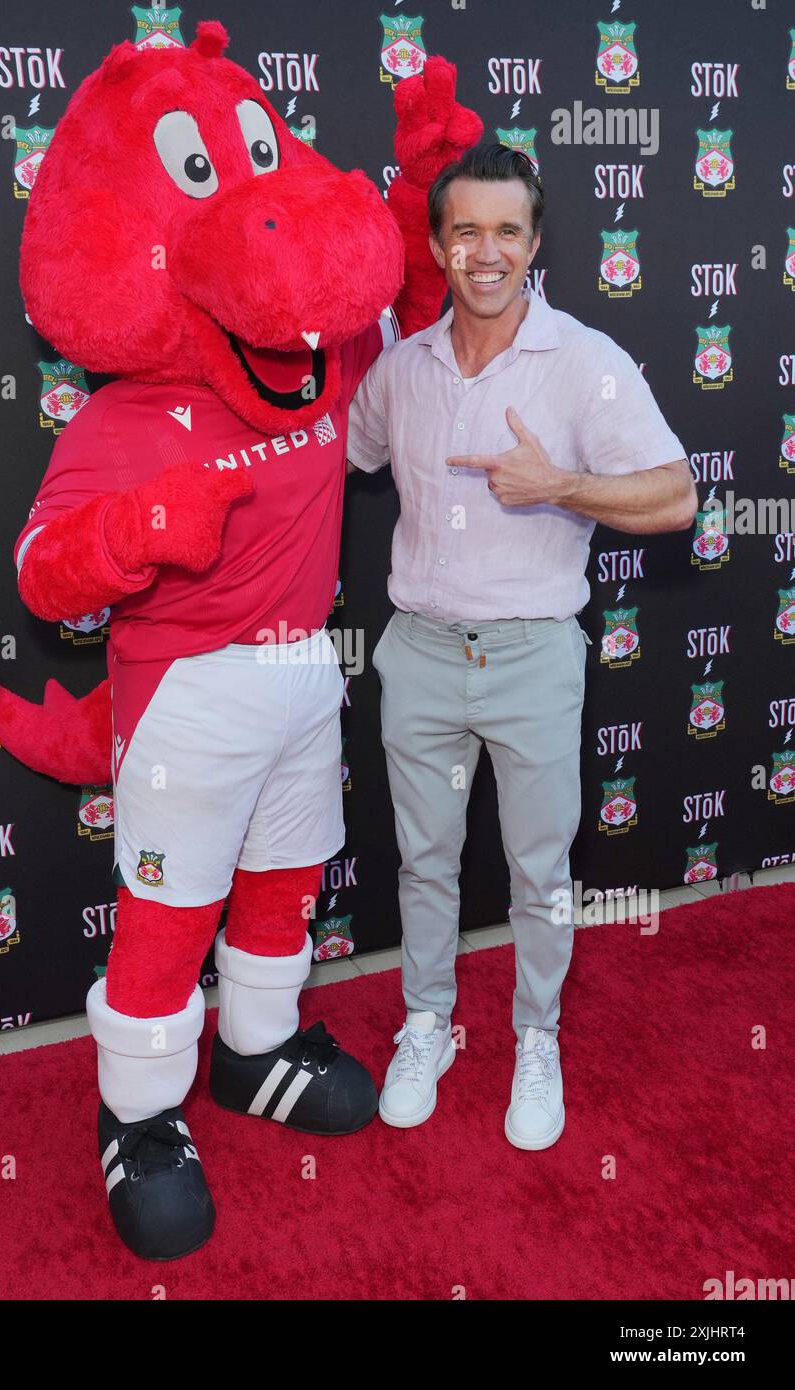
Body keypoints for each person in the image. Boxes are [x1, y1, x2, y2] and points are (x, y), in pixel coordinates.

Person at [346, 142, 697, 1149]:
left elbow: (675, 496)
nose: (485, 250)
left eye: (507, 230)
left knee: (537, 869)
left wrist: (562, 487)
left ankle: (533, 1037)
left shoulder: (583, 361)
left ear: (535, 244)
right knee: (424, 860)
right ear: (436, 242)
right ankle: (428, 1023)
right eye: (466, 230)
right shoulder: (403, 368)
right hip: (416, 650)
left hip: (533, 653)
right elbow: (337, 454)